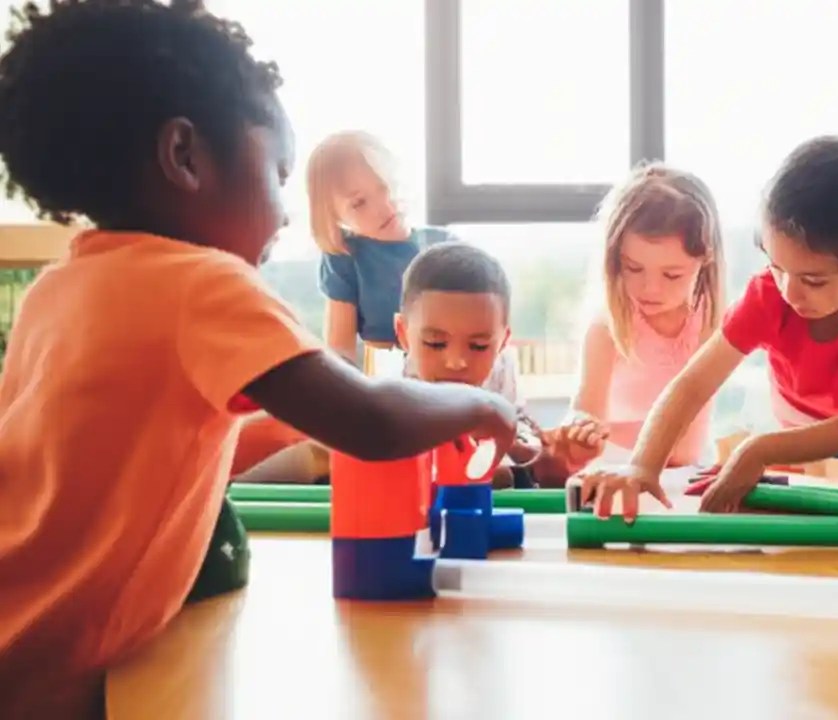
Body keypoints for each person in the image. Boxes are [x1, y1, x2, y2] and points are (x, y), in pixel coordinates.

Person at [0, 3, 516, 716]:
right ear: (184, 155)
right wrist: (486, 404)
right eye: (276, 171)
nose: (281, 212)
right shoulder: (200, 284)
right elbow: (369, 421)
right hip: (38, 666)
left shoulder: (58, 288)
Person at [576, 136, 838, 518]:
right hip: (784, 457)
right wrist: (643, 466)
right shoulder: (767, 294)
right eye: (776, 266)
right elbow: (692, 385)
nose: (789, 291)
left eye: (814, 280)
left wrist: (758, 450)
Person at [397, 241, 603, 488]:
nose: (456, 362)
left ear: (503, 342)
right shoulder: (394, 396)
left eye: (479, 346)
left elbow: (526, 457)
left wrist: (557, 459)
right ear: (403, 334)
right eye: (435, 343)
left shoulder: (501, 373)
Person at [570, 163, 725, 465]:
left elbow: (688, 449)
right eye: (634, 268)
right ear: (614, 260)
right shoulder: (607, 326)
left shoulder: (709, 325)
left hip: (680, 467)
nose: (650, 289)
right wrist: (579, 430)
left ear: (704, 261)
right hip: (612, 463)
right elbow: (585, 412)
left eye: (672, 275)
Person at [307, 129, 454, 365]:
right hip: (384, 378)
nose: (384, 206)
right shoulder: (345, 256)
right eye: (359, 203)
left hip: (447, 371)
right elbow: (340, 350)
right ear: (334, 217)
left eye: (385, 186)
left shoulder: (446, 245)